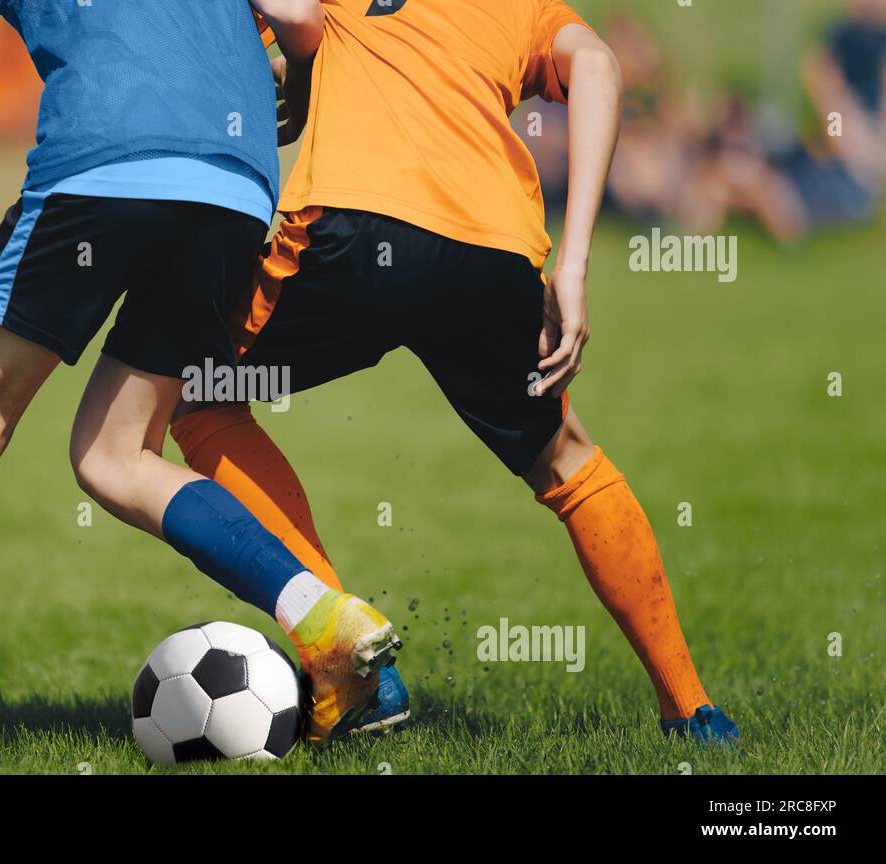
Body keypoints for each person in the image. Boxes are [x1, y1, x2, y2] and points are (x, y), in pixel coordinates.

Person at [0, 0, 399, 765]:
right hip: (234, 187)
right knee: (114, 455)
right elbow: (304, 17)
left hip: (104, 159)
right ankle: (321, 615)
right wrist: (286, 89)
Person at [164, 0, 740, 744]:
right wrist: (574, 261)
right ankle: (691, 711)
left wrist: (296, 83)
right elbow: (598, 65)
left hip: (353, 227)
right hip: (490, 251)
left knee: (194, 395)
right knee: (566, 459)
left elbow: (285, 12)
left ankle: (344, 649)